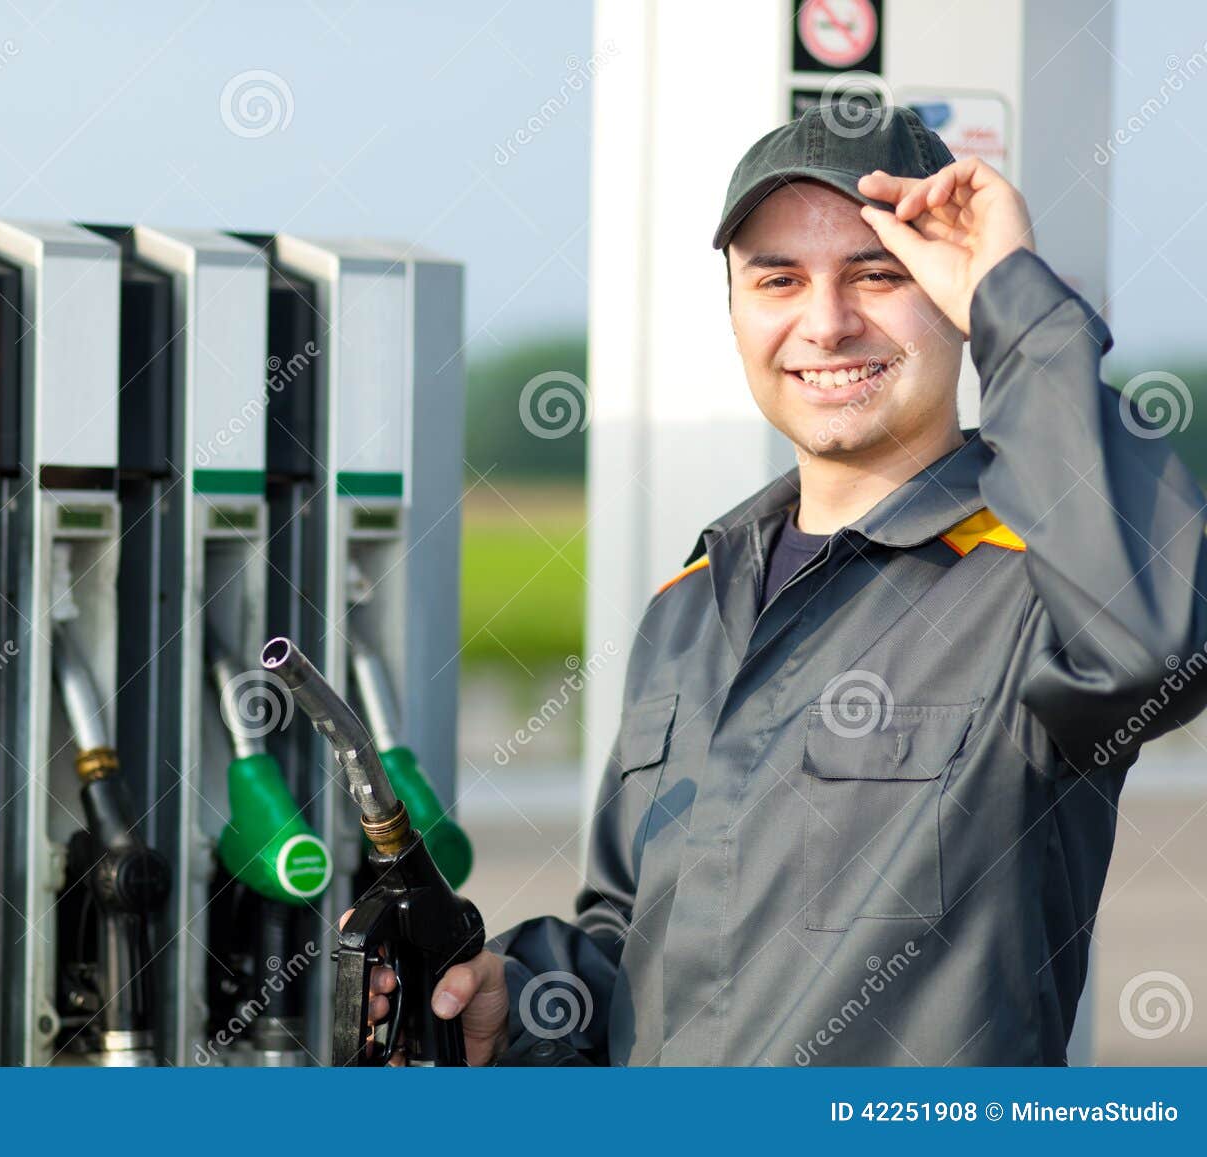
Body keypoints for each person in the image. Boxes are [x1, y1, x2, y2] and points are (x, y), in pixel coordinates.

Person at [370, 103, 1207, 1065]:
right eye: (779, 279)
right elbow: (634, 944)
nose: (827, 322)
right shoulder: (690, 603)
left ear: (952, 297)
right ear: (735, 314)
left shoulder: (1042, 584)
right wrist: (519, 998)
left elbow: (1161, 641)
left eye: (876, 273)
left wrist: (1015, 304)